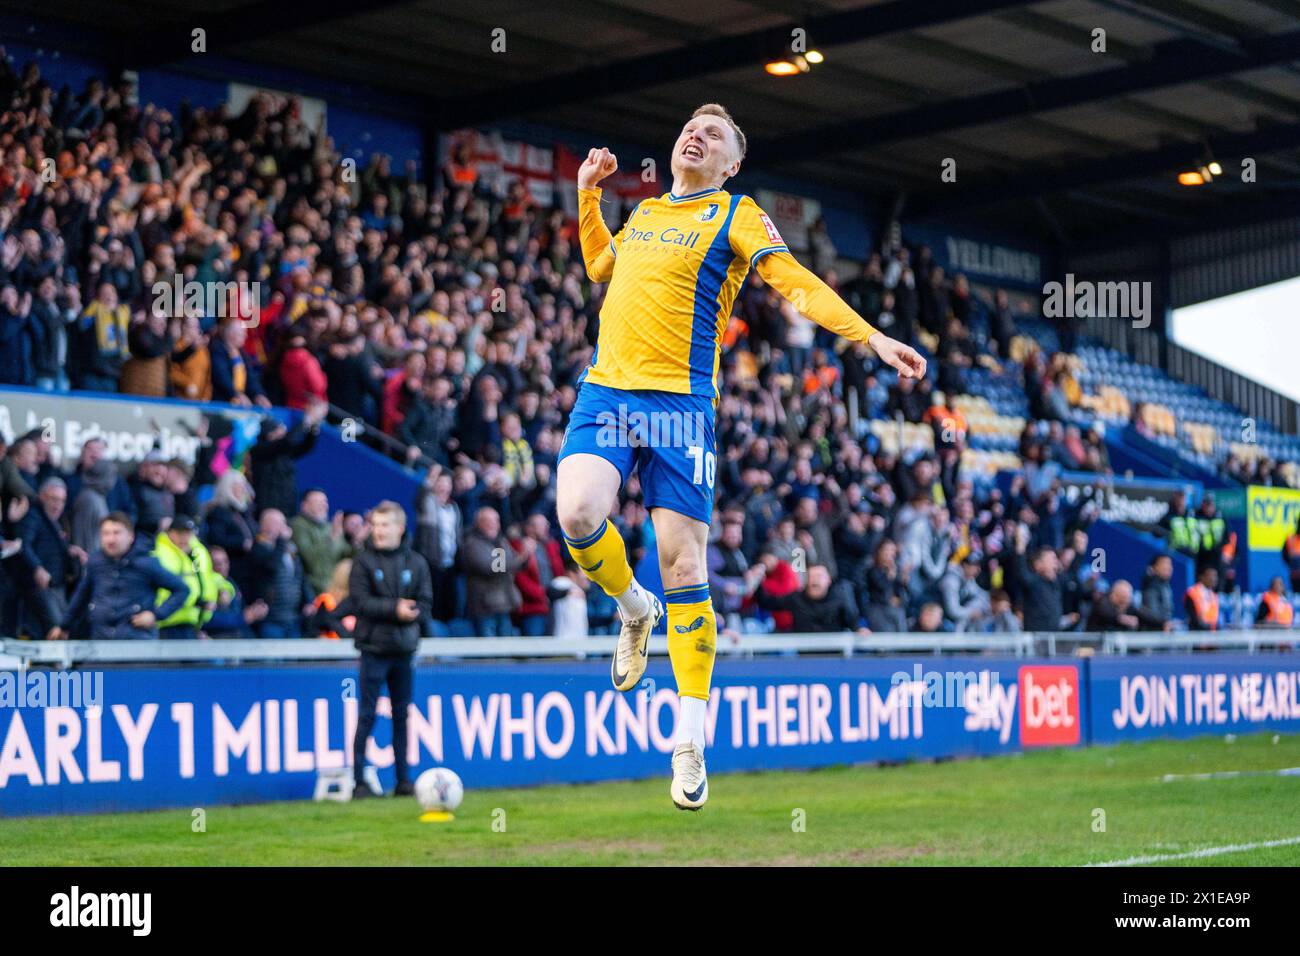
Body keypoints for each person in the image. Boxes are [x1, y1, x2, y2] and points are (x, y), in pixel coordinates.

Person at [557, 105, 924, 810]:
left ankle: (688, 738)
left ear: (730, 166)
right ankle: (635, 610)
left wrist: (869, 336)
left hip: (680, 408)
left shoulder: (737, 214)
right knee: (576, 514)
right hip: (607, 392)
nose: (697, 134)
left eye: (715, 135)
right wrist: (588, 197)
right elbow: (600, 264)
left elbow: (795, 283)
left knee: (686, 565)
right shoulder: (644, 214)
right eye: (691, 127)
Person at [349, 501, 433, 798]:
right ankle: (359, 781)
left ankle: (403, 781)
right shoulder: (362, 562)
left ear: (400, 527)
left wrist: (414, 612)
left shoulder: (416, 562)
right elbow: (360, 602)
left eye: (385, 525)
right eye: (375, 525)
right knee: (367, 715)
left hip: (404, 650)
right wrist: (394, 609)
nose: (379, 531)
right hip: (373, 648)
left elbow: (426, 603)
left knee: (402, 716)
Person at [49, 513, 189, 640]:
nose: (111, 539)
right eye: (106, 533)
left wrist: (156, 615)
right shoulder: (95, 563)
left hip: (138, 645)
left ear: (130, 536)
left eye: (117, 533)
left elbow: (182, 590)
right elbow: (81, 596)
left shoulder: (147, 563)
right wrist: (63, 626)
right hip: (101, 643)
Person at [461, 505, 527, 636]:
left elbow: (515, 565)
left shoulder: (502, 541)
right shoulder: (472, 544)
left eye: (496, 521)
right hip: (485, 608)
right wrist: (523, 556)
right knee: (488, 650)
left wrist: (523, 558)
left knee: (506, 650)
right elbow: (495, 568)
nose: (493, 525)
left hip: (505, 604)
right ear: (478, 524)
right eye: (488, 521)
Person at [152, 514, 219, 639]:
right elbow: (162, 591)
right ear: (169, 532)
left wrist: (225, 589)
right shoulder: (160, 553)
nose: (184, 538)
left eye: (188, 533)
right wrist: (196, 602)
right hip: (168, 623)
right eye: (179, 533)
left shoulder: (198, 551)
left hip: (195, 622)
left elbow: (209, 577)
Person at [291, 488, 352, 594]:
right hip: (312, 590)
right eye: (318, 502)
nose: (324, 506)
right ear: (304, 506)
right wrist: (331, 538)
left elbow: (345, 555)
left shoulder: (330, 527)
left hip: (336, 588)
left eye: (325, 502)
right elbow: (311, 561)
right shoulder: (298, 525)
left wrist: (358, 542)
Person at [1184, 566, 1220, 632]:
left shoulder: (1214, 596)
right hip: (1197, 634)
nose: (1213, 579)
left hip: (1212, 636)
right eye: (1210, 575)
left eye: (1215, 576)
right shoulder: (1192, 593)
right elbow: (1194, 619)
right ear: (1202, 577)